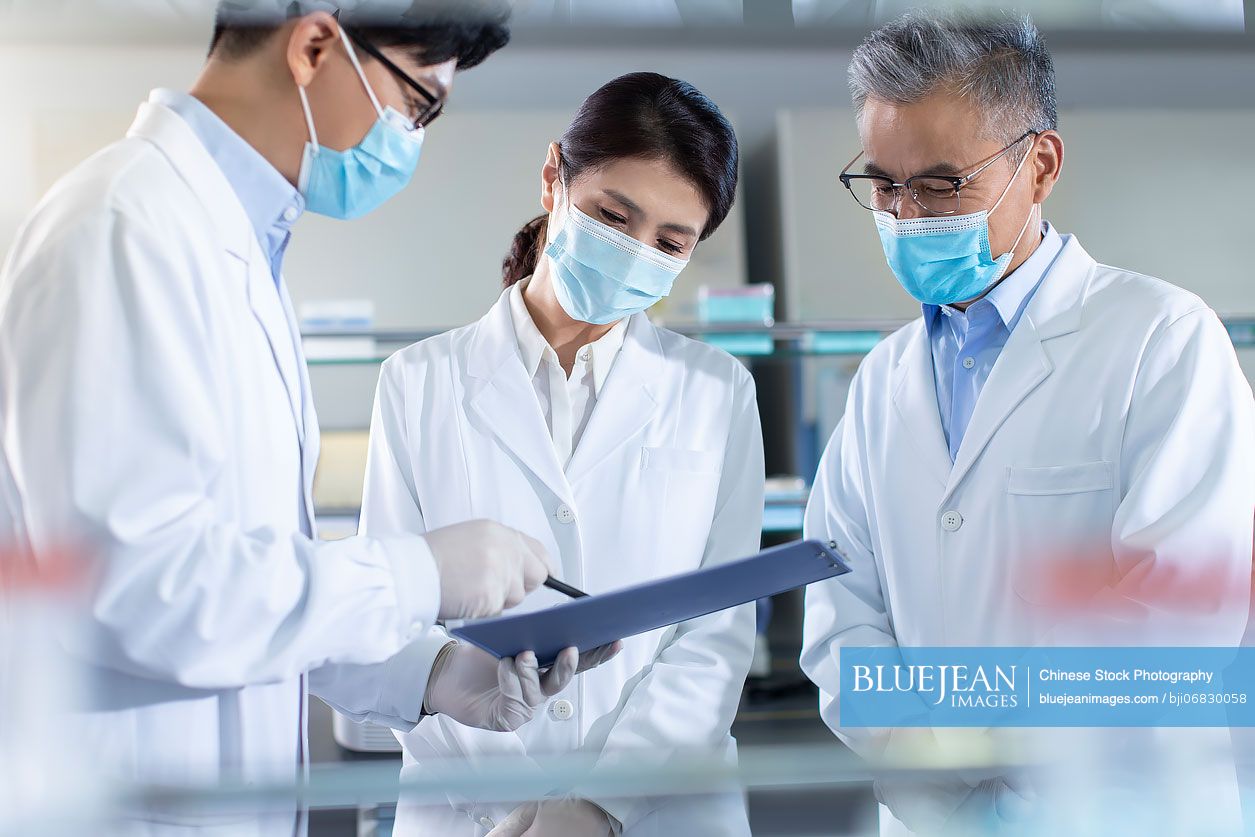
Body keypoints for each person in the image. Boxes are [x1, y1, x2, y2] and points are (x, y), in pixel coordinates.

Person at [0, 2, 614, 834]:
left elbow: (246, 582)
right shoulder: (124, 228)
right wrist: (419, 573)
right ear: (316, 44)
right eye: (416, 102)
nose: (412, 137)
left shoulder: (232, 245)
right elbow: (143, 588)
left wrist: (432, 671)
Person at [799, 10, 1255, 835]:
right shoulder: (879, 381)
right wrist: (922, 762)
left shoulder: (1162, 339)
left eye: (940, 184)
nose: (905, 215)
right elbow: (841, 612)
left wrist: (984, 751)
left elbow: (1177, 619)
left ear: (1038, 166)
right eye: (884, 183)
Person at [360, 72, 762, 836]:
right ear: (554, 178)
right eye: (614, 216)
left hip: (663, 809)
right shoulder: (416, 384)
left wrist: (597, 805)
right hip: (472, 813)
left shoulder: (716, 392)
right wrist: (515, 807)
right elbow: (393, 621)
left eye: (669, 243)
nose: (635, 253)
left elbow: (713, 637)